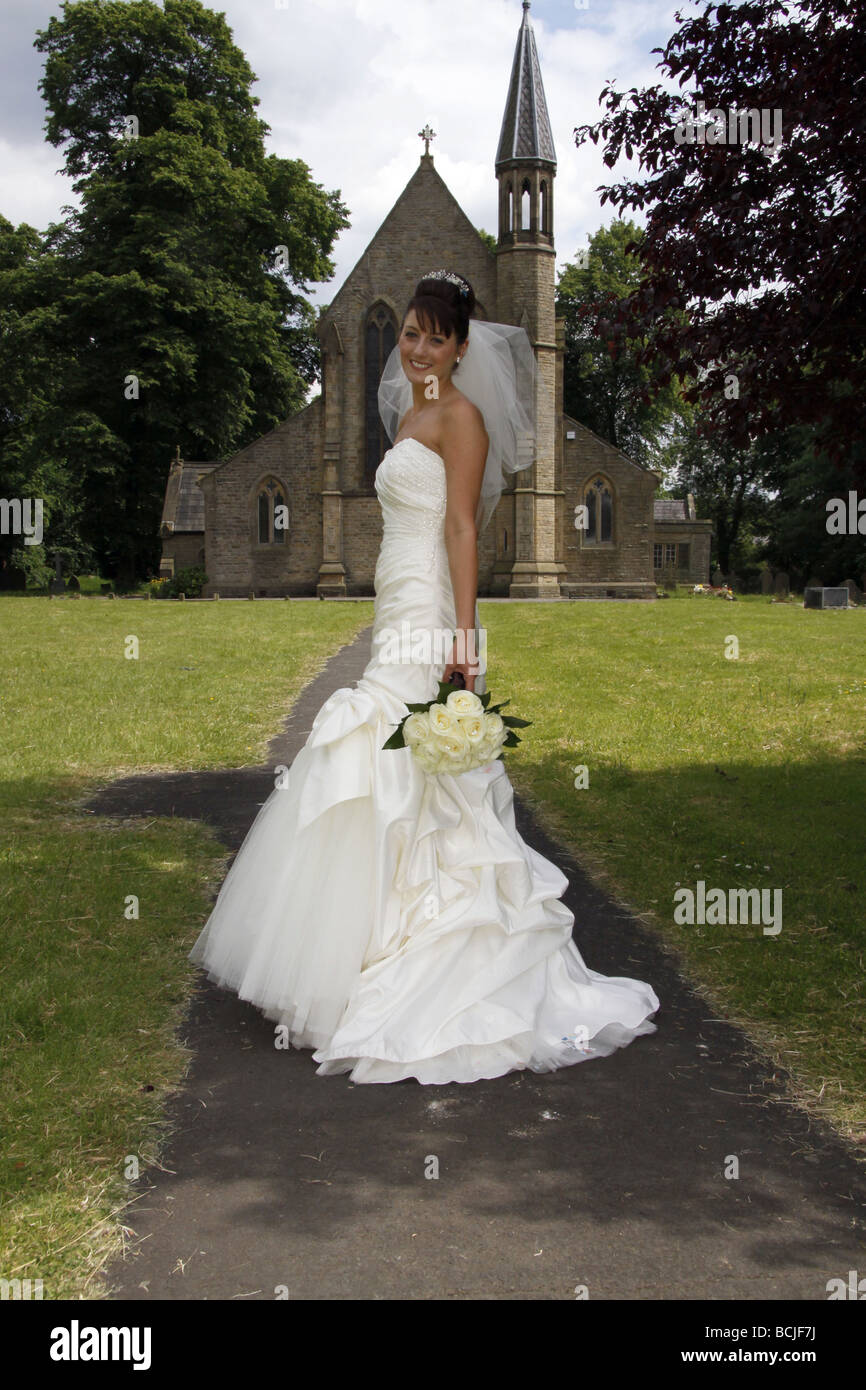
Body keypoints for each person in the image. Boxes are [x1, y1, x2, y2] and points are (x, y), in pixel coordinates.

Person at [188, 271, 659, 1085]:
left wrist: (464, 637)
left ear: (462, 347)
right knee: (386, 749)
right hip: (395, 592)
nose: (416, 347)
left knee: (393, 739)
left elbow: (464, 527)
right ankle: (365, 944)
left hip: (431, 606)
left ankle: (435, 956)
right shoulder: (409, 412)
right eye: (409, 332)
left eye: (434, 336)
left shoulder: (464, 417)